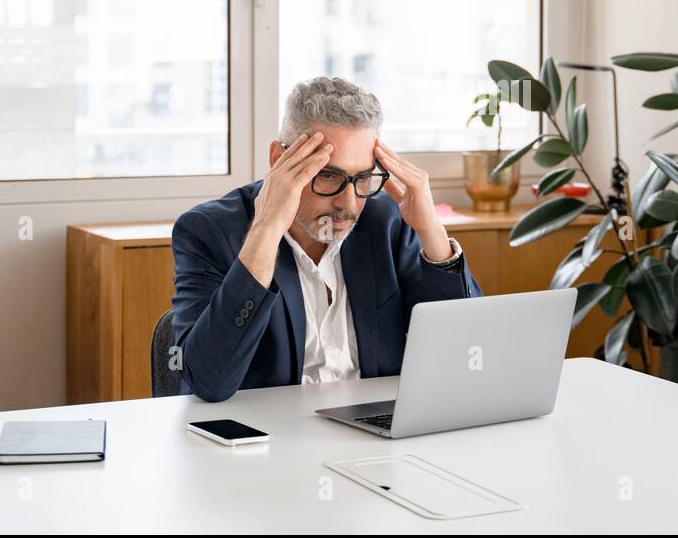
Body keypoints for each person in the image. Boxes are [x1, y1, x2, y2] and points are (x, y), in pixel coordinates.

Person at [170, 76, 481, 401]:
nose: (348, 203)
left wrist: (431, 231)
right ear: (279, 159)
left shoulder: (385, 221)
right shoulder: (209, 231)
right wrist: (266, 231)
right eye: (328, 175)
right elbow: (207, 381)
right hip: (270, 440)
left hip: (377, 433)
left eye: (362, 178)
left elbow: (465, 354)